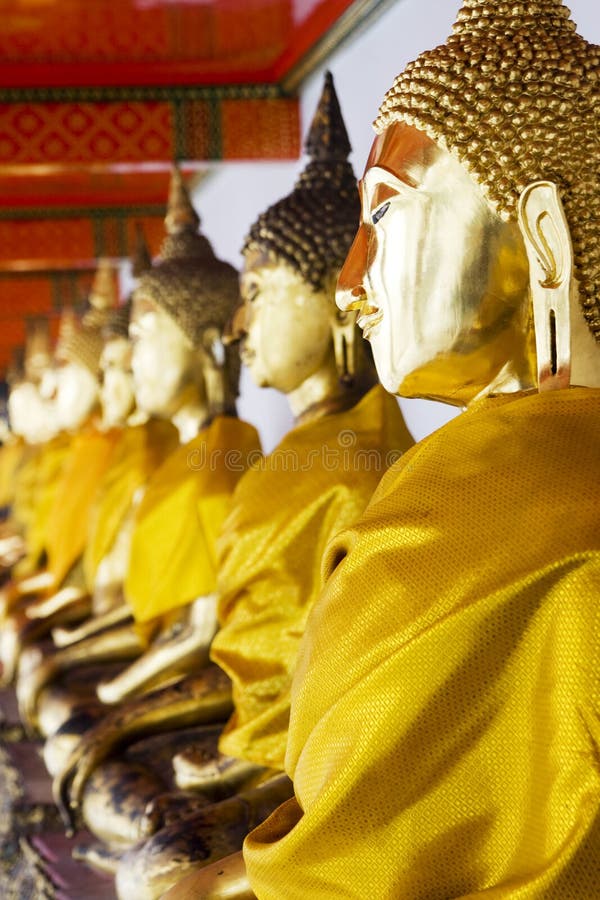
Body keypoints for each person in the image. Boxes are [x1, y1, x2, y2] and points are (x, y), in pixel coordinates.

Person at [235, 1, 600, 897]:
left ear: (542, 242)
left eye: (386, 219)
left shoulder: (526, 504)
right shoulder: (456, 478)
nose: (352, 287)